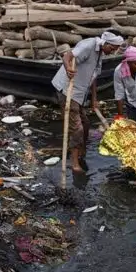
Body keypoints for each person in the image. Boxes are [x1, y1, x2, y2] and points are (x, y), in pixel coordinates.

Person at [52, 30, 125, 173]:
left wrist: (94, 99)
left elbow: (94, 76)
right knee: (77, 128)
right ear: (105, 43)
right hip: (68, 89)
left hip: (80, 92)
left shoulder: (100, 54)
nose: (113, 51)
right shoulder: (88, 45)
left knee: (86, 123)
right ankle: (74, 163)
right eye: (112, 48)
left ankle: (81, 150)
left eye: (115, 49)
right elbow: (68, 56)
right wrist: (68, 69)